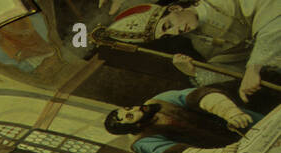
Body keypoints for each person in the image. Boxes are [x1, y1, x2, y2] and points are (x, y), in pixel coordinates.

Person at [99, 1, 281, 103]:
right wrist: (196, 72)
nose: (174, 32)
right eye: (166, 35)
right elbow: (235, 71)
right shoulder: (199, 42)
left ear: (175, 8)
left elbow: (273, 15)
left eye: (168, 25)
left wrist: (255, 67)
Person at [102, 84, 262, 153]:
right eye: (131, 115)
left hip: (247, 126)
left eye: (129, 108)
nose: (138, 108)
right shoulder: (142, 142)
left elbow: (201, 96)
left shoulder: (161, 100)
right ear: (134, 127)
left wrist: (231, 113)